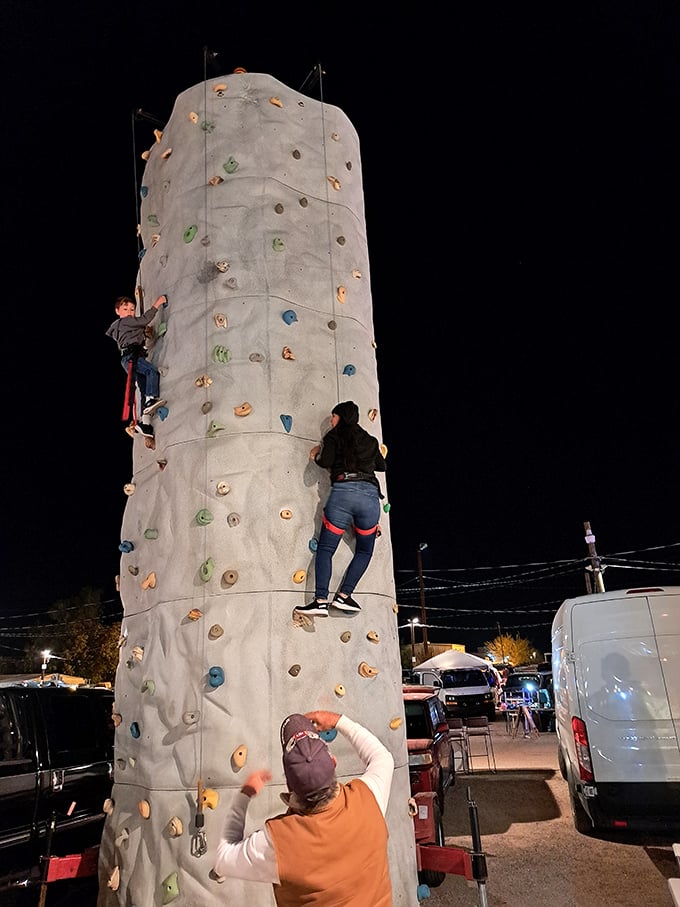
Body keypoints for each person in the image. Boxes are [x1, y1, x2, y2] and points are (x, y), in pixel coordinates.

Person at [213, 710, 394, 906]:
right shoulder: (369, 798)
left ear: (290, 787)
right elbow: (382, 758)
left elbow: (223, 859)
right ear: (333, 762)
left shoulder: (279, 843)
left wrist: (244, 795)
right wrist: (338, 721)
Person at [295, 401, 386, 617]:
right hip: (369, 498)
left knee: (326, 549)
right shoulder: (369, 441)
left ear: (341, 417)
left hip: (343, 493)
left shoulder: (333, 437)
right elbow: (381, 466)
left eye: (333, 417)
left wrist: (316, 454)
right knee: (365, 550)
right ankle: (344, 596)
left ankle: (320, 601)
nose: (331, 420)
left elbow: (324, 460)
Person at [105, 293, 168, 437]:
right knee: (152, 372)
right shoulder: (125, 322)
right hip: (132, 357)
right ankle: (151, 400)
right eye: (125, 309)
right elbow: (144, 319)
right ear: (117, 311)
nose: (130, 312)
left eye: (132, 309)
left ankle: (144, 423)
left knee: (143, 385)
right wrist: (158, 303)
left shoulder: (120, 327)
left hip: (130, 358)